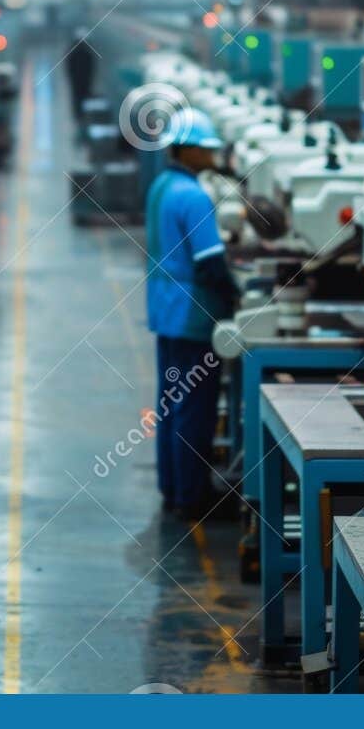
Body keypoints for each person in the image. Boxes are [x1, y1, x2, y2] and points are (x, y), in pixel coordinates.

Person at [144, 109, 237, 519]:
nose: (214, 155)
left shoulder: (162, 185)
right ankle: (193, 499)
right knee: (194, 409)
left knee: (171, 403)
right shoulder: (195, 196)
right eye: (207, 148)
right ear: (188, 149)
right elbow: (211, 264)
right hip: (194, 316)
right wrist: (241, 298)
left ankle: (174, 488)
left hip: (167, 310)